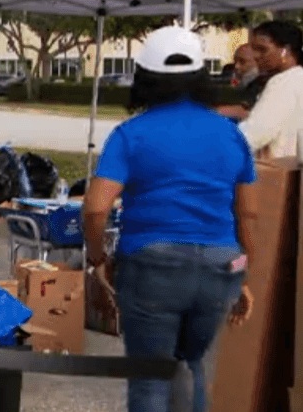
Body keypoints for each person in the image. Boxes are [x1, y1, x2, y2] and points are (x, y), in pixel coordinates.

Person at [83, 26, 255, 412]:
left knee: (150, 375)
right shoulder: (231, 134)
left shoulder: (130, 134)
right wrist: (245, 274)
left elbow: (95, 208)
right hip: (221, 265)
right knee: (190, 364)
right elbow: (248, 212)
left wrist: (98, 259)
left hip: (151, 264)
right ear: (202, 78)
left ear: (144, 78)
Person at [238, 21, 303, 159]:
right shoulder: (297, 78)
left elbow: (254, 134)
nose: (255, 56)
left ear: (285, 50)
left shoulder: (284, 82)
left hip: (280, 166)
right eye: (254, 49)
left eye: (262, 49)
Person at [216, 43, 268, 121]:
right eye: (235, 61)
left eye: (242, 61)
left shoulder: (265, 85)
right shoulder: (230, 80)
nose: (236, 66)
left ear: (258, 62)